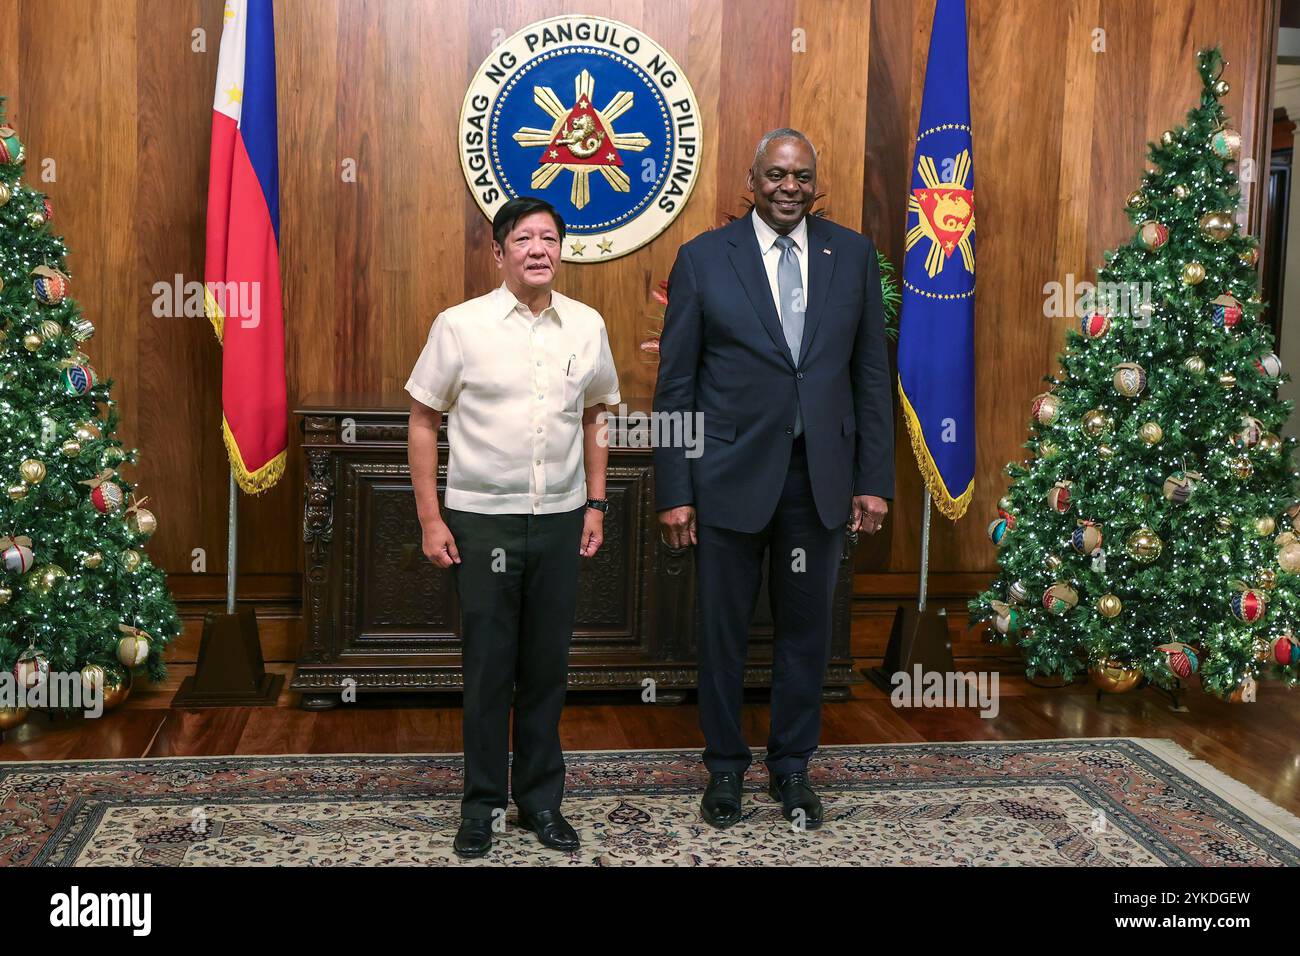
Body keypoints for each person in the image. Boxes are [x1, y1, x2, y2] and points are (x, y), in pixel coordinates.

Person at [653, 128, 894, 830]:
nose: (789, 187)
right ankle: (724, 769)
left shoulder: (850, 256)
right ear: (752, 180)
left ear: (816, 186)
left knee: (806, 634)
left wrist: (871, 479)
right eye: (776, 175)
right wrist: (674, 489)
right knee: (723, 632)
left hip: (817, 480)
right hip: (726, 478)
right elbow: (676, 389)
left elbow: (871, 378)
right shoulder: (704, 259)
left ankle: (792, 767)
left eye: (802, 177)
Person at [406, 196, 621, 858]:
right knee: (489, 670)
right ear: (498, 253)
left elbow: (597, 416)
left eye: (549, 238)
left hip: (558, 522)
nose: (537, 249)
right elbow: (422, 420)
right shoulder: (459, 326)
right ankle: (480, 806)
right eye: (523, 239)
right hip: (480, 525)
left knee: (547, 669)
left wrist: (596, 503)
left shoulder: (586, 326)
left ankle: (540, 802)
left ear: (561, 250)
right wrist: (429, 517)